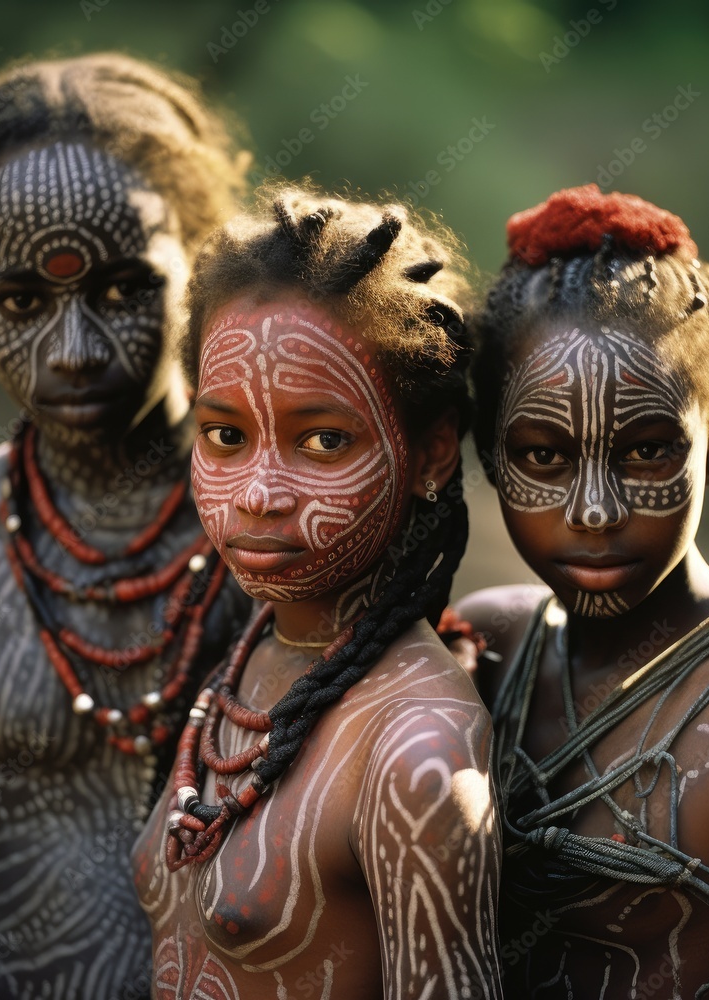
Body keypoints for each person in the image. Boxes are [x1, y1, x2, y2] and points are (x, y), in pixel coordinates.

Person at [0, 54, 252, 999]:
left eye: (123, 290)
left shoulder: (278, 529)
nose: (73, 351)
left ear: (202, 264)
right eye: (21, 303)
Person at [457, 183, 709, 998]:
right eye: (543, 456)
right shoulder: (488, 647)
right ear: (491, 456)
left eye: (645, 452)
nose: (596, 511)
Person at [133, 186, 504, 998]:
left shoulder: (417, 749)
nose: (260, 491)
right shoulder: (248, 659)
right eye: (226, 435)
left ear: (433, 454)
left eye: (324, 439)